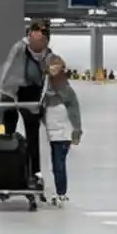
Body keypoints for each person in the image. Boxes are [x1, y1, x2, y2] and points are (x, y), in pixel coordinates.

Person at [0, 19, 53, 182]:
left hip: (31, 92)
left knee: (32, 132)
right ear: (29, 35)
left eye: (43, 39)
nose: (39, 42)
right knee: (8, 132)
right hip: (11, 90)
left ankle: (34, 171)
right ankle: (7, 169)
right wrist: (1, 97)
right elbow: (7, 71)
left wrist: (43, 101)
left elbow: (47, 79)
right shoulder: (19, 48)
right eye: (36, 37)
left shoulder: (48, 54)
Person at [43, 55, 83, 205]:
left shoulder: (67, 90)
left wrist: (77, 131)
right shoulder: (43, 86)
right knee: (45, 164)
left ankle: (61, 192)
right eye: (51, 65)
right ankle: (48, 192)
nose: (53, 68)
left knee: (58, 164)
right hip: (46, 131)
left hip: (62, 132)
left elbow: (75, 111)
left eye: (56, 65)